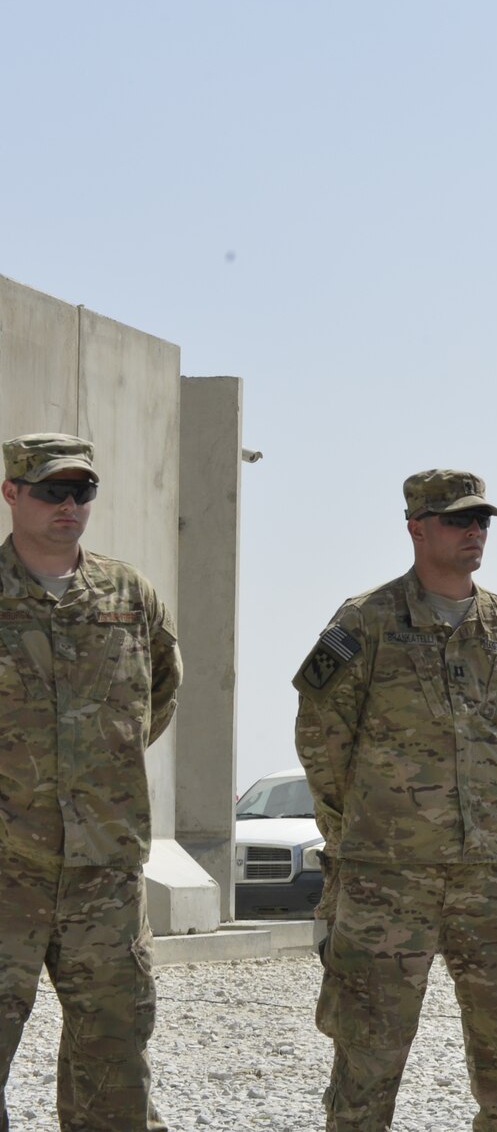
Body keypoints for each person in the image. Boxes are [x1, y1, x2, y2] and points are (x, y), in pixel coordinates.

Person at [294, 469, 497, 1132]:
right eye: (458, 520)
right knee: (367, 1062)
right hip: (388, 878)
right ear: (416, 526)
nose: (475, 532)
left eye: (482, 521)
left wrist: (480, 798)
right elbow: (322, 736)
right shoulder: (365, 622)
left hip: (490, 876)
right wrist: (358, 830)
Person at [0, 433, 180, 1132]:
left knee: (114, 1062)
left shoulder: (129, 595)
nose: (68, 504)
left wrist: (92, 782)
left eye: (82, 491)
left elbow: (158, 697)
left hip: (103, 873)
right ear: (12, 492)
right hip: (4, 869)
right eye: (51, 489)